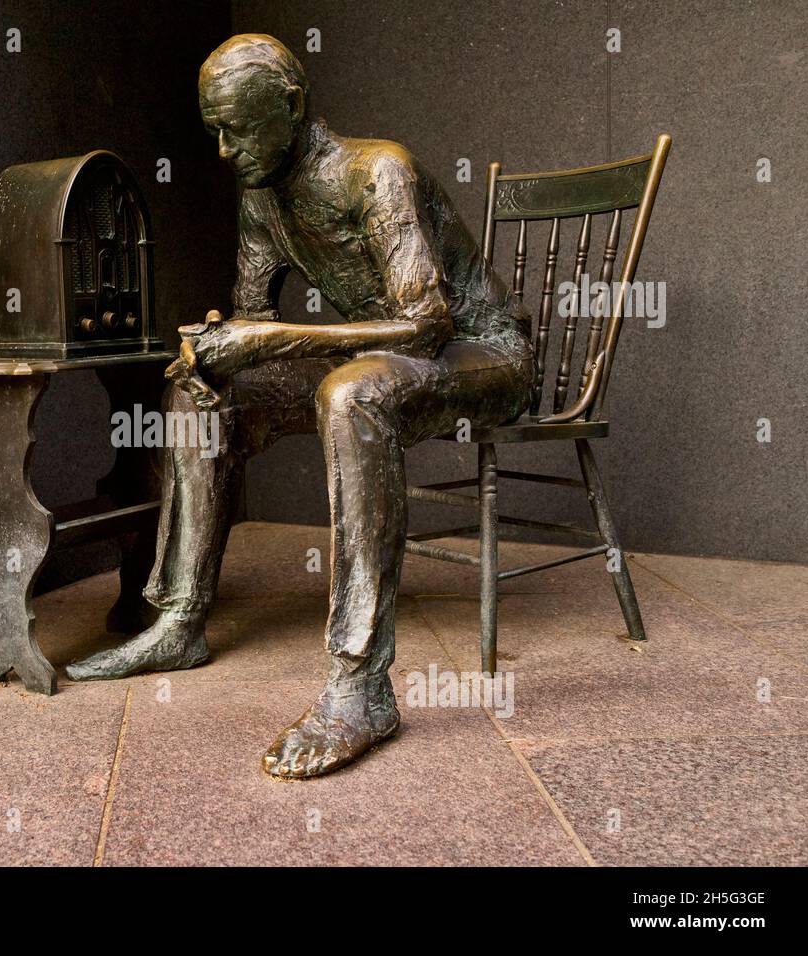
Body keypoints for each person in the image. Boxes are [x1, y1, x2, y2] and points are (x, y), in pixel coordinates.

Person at [68, 34, 534, 779]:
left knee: (351, 394)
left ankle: (360, 683)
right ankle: (180, 618)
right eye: (215, 132)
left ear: (292, 106)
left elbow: (427, 325)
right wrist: (219, 349)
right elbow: (255, 320)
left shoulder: (377, 171)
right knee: (200, 394)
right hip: (391, 352)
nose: (225, 151)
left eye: (239, 129)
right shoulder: (261, 196)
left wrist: (268, 337)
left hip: (484, 355)